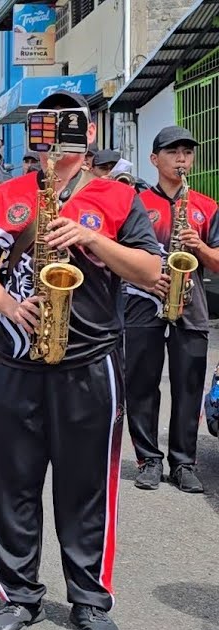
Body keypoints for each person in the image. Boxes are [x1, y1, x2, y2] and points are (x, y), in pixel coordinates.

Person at [0, 91, 161, 630]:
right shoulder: (4, 194)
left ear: (89, 134)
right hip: (15, 357)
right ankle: (20, 594)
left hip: (90, 361)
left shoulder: (121, 198)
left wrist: (93, 237)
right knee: (13, 483)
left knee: (87, 487)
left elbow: (152, 271)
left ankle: (89, 599)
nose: (53, 138)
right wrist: (9, 305)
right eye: (45, 125)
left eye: (66, 124)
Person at [123, 126, 219, 494]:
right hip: (143, 303)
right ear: (154, 159)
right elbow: (120, 256)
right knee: (142, 385)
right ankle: (148, 459)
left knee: (189, 387)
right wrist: (146, 280)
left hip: (191, 305)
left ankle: (183, 462)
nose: (182, 159)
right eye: (173, 151)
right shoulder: (135, 203)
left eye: (187, 153)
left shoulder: (206, 206)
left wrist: (200, 248)